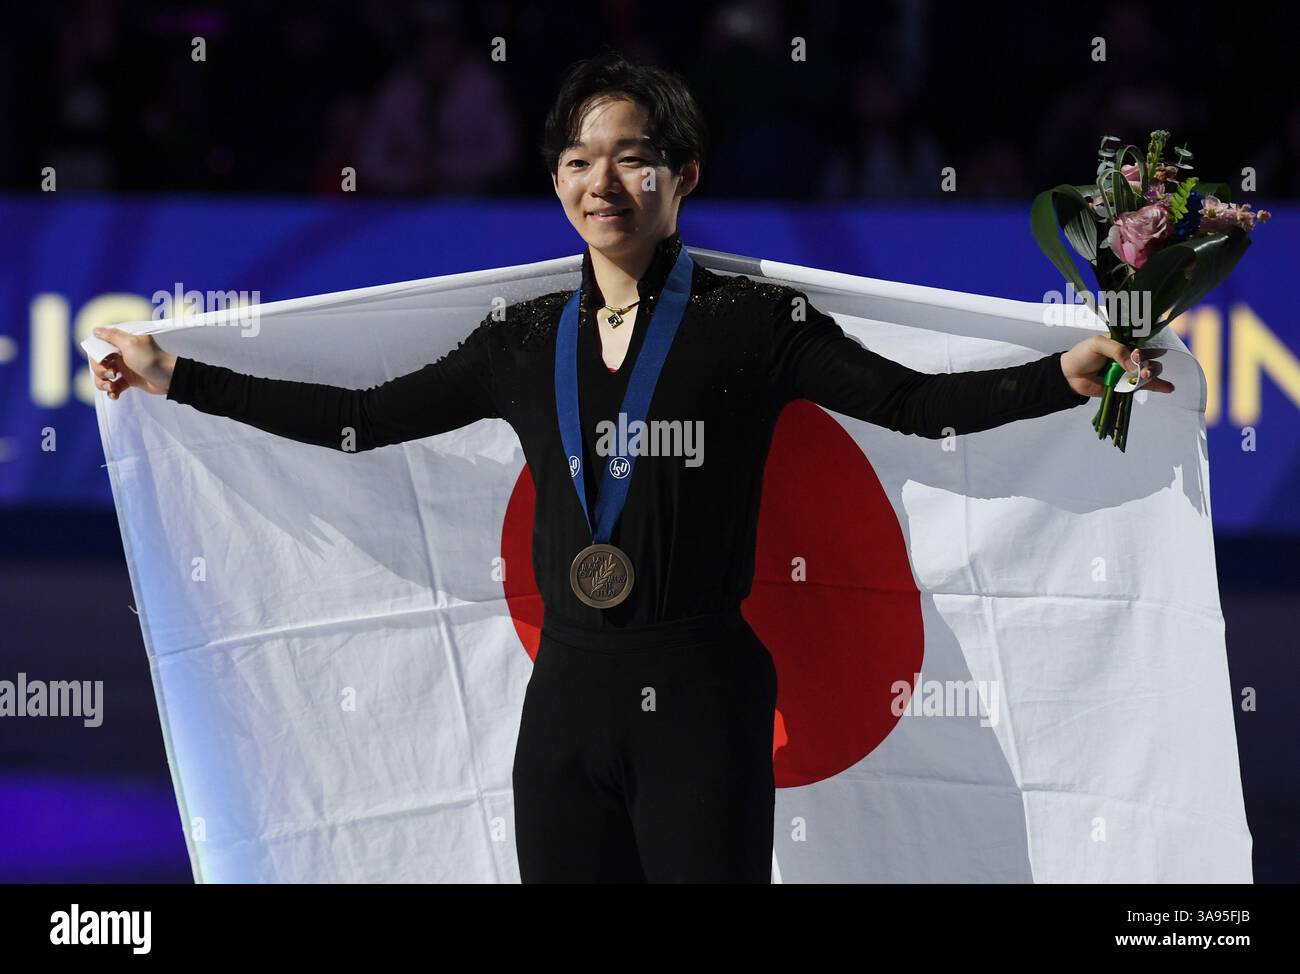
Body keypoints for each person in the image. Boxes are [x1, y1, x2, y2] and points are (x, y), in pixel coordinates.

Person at [86, 53, 1172, 884]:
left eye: (630, 155)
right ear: (556, 177)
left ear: (682, 174)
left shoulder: (752, 323)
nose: (601, 180)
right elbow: (360, 420)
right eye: (577, 159)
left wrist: (1063, 374)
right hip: (563, 701)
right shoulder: (518, 339)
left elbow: (914, 405)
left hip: (702, 694)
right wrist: (176, 374)